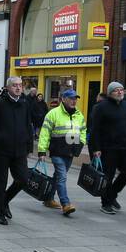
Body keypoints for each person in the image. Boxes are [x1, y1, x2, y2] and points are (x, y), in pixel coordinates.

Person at [0, 76, 34, 225]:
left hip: (19, 150)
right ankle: (0, 212)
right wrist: (0, 137)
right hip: (1, 150)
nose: (18, 88)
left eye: (20, 85)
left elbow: (28, 126)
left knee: (23, 179)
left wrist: (29, 146)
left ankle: (5, 200)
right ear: (8, 88)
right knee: (0, 181)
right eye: (15, 85)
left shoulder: (24, 104)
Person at [88, 82, 126, 216]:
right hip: (108, 148)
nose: (120, 92)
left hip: (125, 146)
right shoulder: (101, 107)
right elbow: (94, 130)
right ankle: (106, 203)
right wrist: (96, 148)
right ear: (110, 93)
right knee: (107, 176)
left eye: (121, 90)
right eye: (116, 90)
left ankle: (112, 194)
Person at [37, 88, 86, 216]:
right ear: (63, 99)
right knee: (62, 177)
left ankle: (48, 199)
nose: (74, 101)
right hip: (57, 151)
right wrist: (42, 151)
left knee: (58, 177)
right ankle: (65, 204)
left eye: (75, 98)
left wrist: (81, 143)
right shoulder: (53, 114)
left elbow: (83, 130)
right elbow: (45, 133)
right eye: (71, 98)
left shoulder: (79, 115)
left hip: (71, 151)